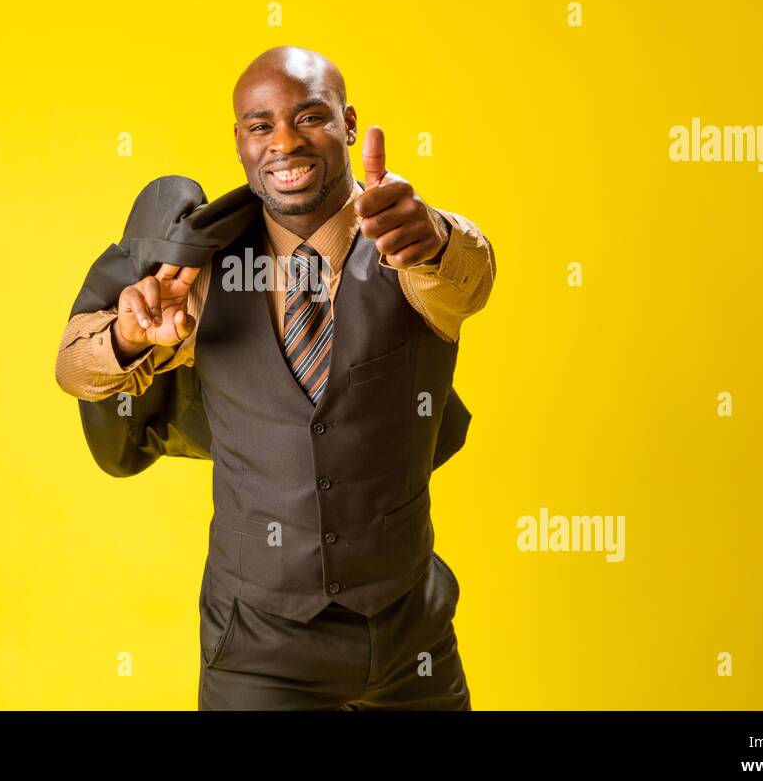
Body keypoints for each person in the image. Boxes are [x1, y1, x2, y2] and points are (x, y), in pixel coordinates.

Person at [56, 45, 495, 709]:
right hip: (259, 640)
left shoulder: (406, 252)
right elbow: (75, 370)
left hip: (411, 630)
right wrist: (127, 336)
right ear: (239, 141)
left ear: (348, 124)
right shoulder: (199, 267)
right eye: (261, 126)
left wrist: (432, 236)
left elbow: (468, 277)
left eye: (309, 117)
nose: (284, 142)